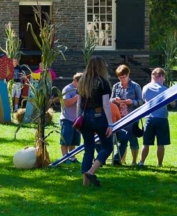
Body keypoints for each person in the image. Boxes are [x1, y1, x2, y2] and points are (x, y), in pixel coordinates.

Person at [76, 56, 114, 187]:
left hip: (84, 117)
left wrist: (77, 119)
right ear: (101, 66)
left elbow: (78, 103)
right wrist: (110, 123)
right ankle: (91, 171)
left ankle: (85, 184)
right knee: (108, 146)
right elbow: (106, 104)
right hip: (99, 116)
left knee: (88, 149)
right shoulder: (103, 82)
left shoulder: (82, 81)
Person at [111, 64, 143, 165]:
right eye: (120, 77)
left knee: (133, 138)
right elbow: (110, 100)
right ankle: (122, 160)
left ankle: (134, 161)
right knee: (122, 139)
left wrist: (132, 102)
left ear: (128, 74)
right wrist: (114, 100)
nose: (122, 79)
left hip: (132, 117)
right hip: (119, 117)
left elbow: (141, 102)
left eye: (124, 77)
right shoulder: (116, 86)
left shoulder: (135, 86)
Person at [139, 67, 170, 168]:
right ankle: (160, 164)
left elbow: (144, 100)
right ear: (161, 76)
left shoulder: (145, 88)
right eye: (163, 78)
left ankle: (141, 162)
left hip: (149, 118)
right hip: (162, 118)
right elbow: (172, 103)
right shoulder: (165, 90)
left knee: (146, 143)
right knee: (161, 143)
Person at [59, 72, 82, 160]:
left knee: (73, 141)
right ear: (75, 80)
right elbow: (66, 103)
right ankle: (64, 158)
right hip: (67, 119)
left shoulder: (80, 89)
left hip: (76, 119)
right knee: (65, 141)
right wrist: (77, 97)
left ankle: (72, 157)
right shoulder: (67, 89)